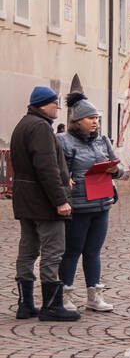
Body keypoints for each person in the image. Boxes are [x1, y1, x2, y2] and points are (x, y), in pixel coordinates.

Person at [10, 86, 79, 322]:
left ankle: (25, 305)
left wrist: (63, 177)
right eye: (54, 103)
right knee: (53, 251)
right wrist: (60, 200)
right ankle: (51, 306)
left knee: (27, 251)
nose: (57, 108)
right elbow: (45, 167)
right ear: (43, 105)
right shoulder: (40, 127)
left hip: (26, 200)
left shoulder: (24, 124)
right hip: (43, 202)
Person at [58, 91, 126, 312]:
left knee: (93, 251)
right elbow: (59, 172)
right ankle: (64, 295)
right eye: (91, 118)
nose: (95, 122)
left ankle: (94, 296)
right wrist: (66, 179)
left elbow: (119, 170)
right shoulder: (64, 142)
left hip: (102, 203)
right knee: (72, 250)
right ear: (77, 121)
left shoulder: (102, 141)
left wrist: (116, 169)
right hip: (78, 206)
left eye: (97, 118)